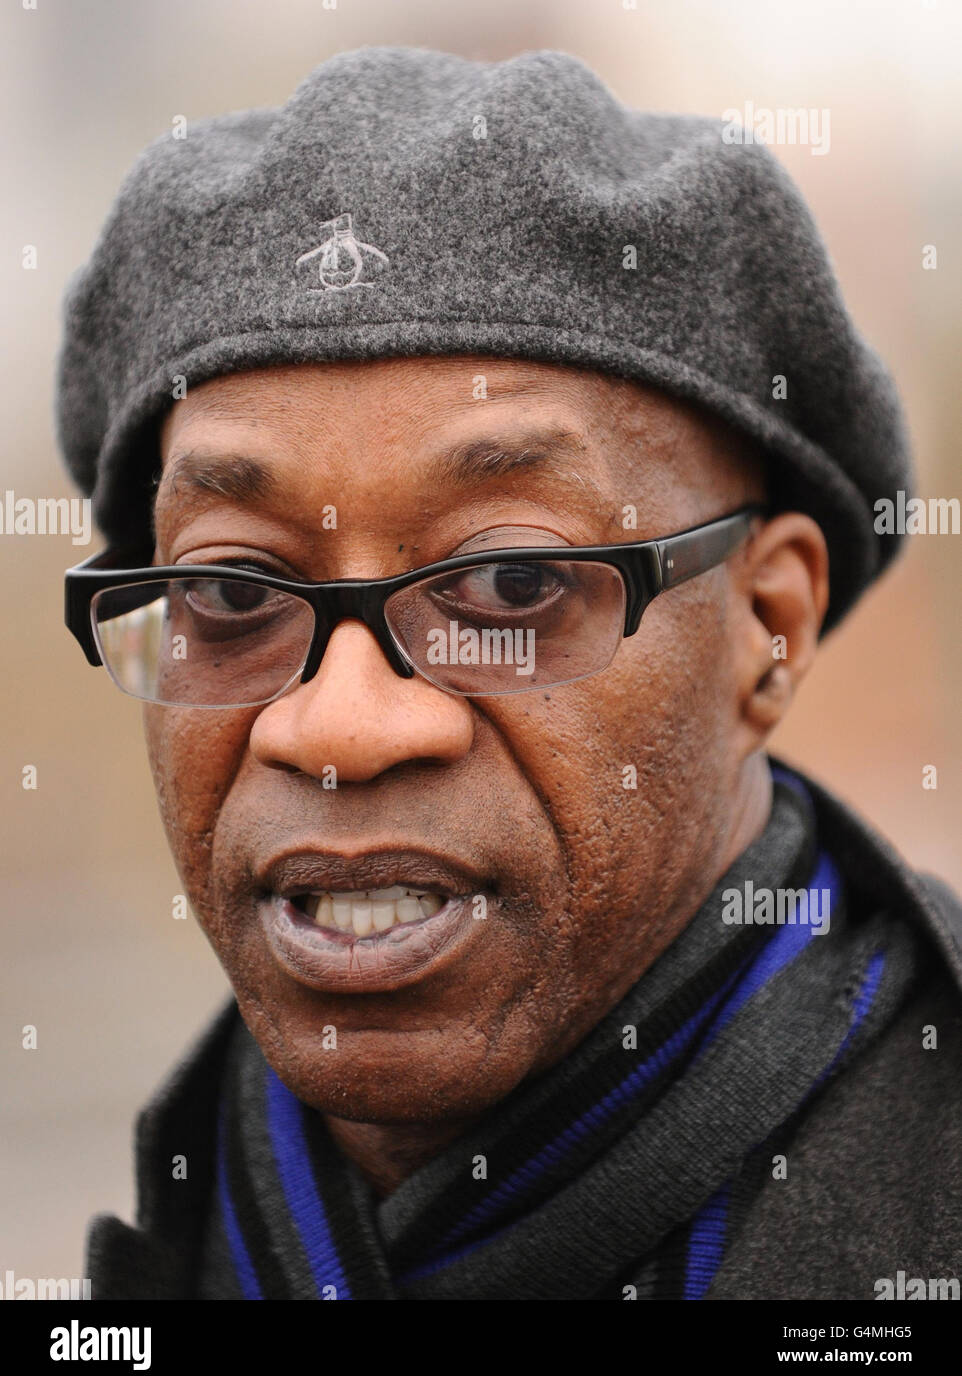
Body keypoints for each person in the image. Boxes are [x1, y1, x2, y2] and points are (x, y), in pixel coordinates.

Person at [57, 46, 962, 1301]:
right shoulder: (173, 1239)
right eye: (231, 593)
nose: (343, 725)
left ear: (769, 624)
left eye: (515, 584)